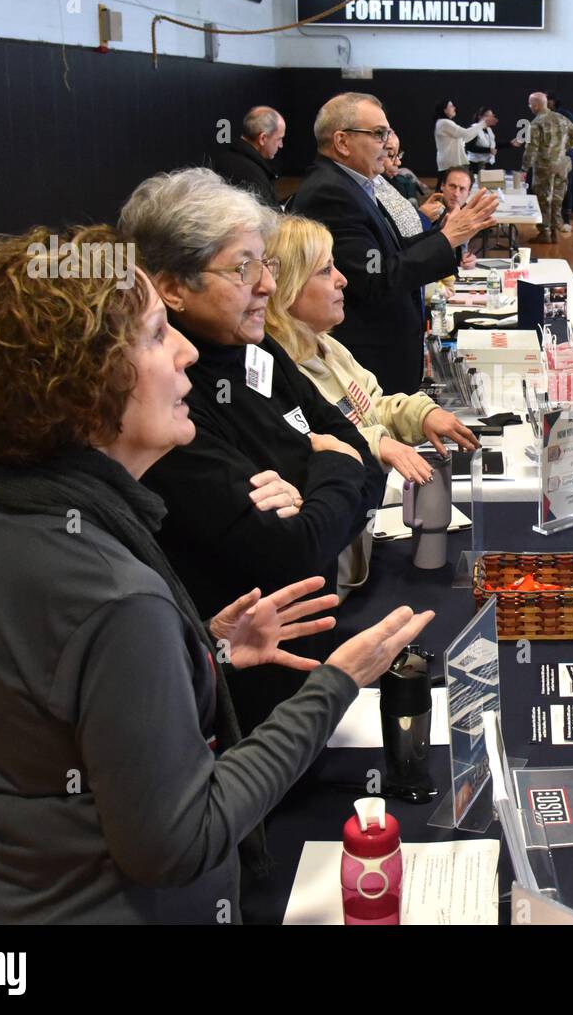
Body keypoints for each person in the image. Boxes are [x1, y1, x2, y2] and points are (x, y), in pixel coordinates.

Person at [0, 227, 432, 923]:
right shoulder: (111, 594)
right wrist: (332, 687)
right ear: (86, 384)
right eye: (159, 335)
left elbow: (64, 715)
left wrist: (199, 650)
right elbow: (178, 839)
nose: (189, 350)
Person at [121, 168, 388, 729]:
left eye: (264, 263)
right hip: (241, 714)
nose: (267, 284)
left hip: (310, 672)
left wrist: (320, 478)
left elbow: (362, 459)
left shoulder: (257, 346)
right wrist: (329, 466)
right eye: (244, 268)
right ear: (172, 287)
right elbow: (295, 552)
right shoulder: (165, 404)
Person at [288, 93, 498, 394]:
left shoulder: (355, 185)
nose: (388, 144)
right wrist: (446, 238)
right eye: (378, 134)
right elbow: (377, 279)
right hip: (372, 354)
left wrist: (445, 235)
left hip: (389, 347)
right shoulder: (330, 193)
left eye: (387, 133)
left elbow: (395, 250)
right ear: (342, 141)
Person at [265, 214, 479, 487]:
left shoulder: (326, 346)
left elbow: (372, 406)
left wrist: (421, 414)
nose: (341, 279)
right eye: (325, 270)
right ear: (287, 288)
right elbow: (305, 446)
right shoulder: (277, 370)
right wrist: (377, 445)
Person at [519, 91, 573, 245]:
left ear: (536, 105)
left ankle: (544, 232)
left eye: (530, 104)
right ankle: (554, 232)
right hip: (561, 165)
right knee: (557, 199)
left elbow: (531, 149)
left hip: (543, 167)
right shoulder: (561, 118)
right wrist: (564, 148)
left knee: (543, 199)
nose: (529, 106)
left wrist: (524, 168)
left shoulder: (536, 123)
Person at [211, 106, 284, 207]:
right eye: (279, 139)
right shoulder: (253, 176)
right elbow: (269, 219)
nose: (281, 145)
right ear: (263, 138)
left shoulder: (224, 160)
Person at [375, 131, 426, 239]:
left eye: (398, 155)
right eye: (390, 155)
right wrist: (423, 217)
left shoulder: (389, 183)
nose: (398, 162)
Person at [547, 94, 573, 232]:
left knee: (565, 187)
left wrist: (566, 148)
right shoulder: (549, 115)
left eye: (546, 100)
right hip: (555, 158)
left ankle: (566, 221)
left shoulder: (563, 114)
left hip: (564, 158)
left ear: (552, 101)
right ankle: (554, 222)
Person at [433, 99, 493, 173]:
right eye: (451, 106)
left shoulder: (444, 123)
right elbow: (466, 134)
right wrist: (483, 123)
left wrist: (481, 125)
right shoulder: (444, 123)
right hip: (450, 164)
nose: (454, 108)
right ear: (444, 110)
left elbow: (465, 138)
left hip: (452, 163)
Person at [465, 106, 498, 171]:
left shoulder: (489, 129)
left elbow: (492, 145)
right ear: (480, 116)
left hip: (489, 163)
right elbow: (469, 147)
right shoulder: (474, 128)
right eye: (487, 116)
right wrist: (488, 150)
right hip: (475, 164)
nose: (490, 118)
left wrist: (509, 144)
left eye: (491, 116)